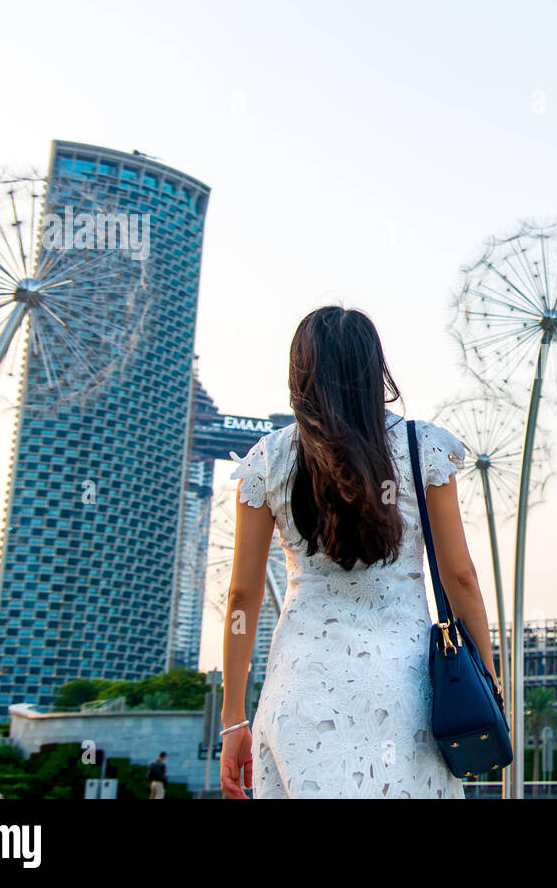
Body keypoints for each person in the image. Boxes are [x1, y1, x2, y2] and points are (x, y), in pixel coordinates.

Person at [219, 306, 500, 799]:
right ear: (375, 370)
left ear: (299, 374)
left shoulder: (267, 460)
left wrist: (232, 718)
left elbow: (242, 596)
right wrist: (490, 679)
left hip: (300, 687)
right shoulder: (421, 448)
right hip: (406, 689)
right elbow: (461, 578)